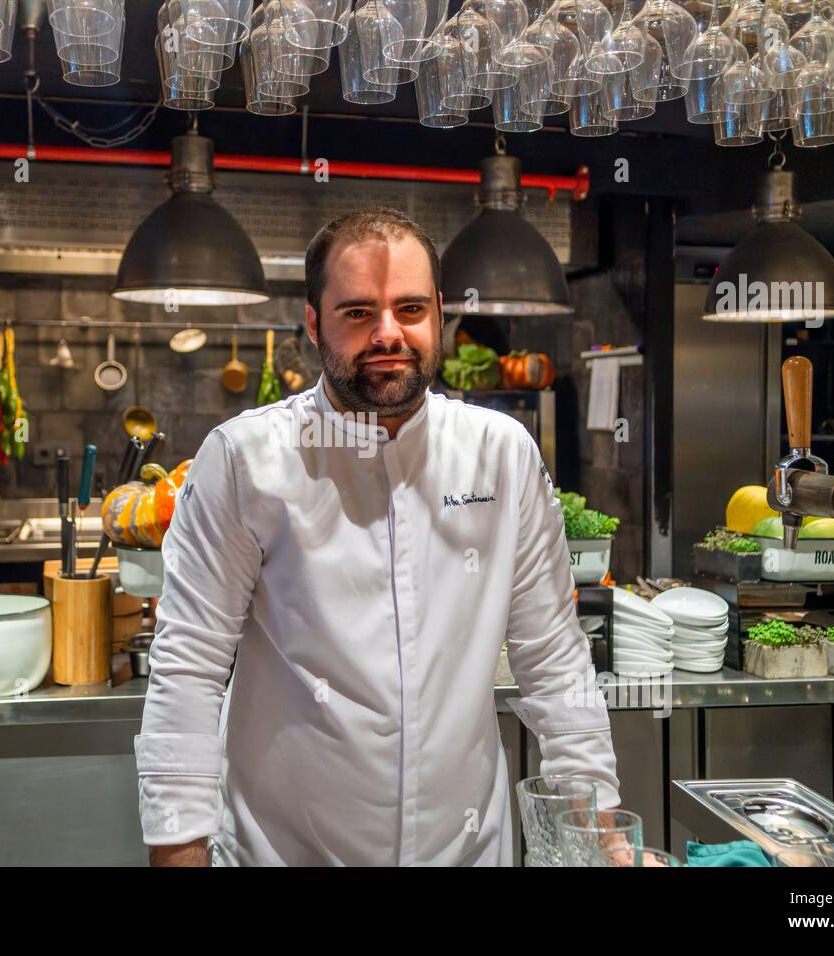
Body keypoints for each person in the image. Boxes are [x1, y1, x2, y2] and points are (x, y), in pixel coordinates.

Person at [134, 206, 620, 866]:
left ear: (440, 315)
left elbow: (554, 658)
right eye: (359, 312)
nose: (388, 333)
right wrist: (177, 849)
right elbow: (189, 665)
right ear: (313, 322)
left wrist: (597, 830)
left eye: (410, 309)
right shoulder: (247, 460)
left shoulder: (499, 454)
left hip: (468, 850)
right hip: (283, 851)